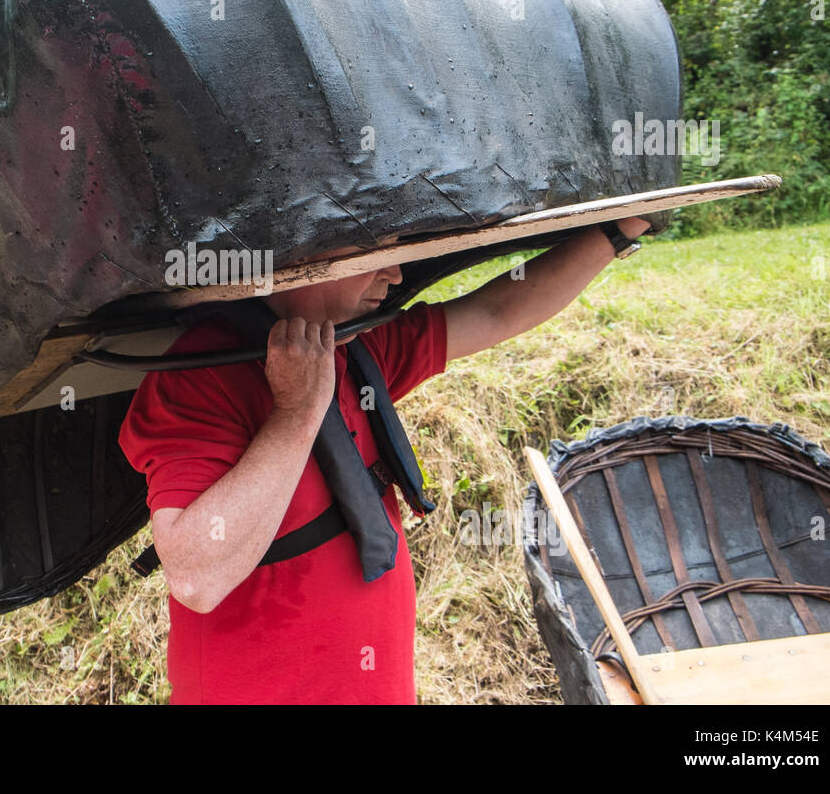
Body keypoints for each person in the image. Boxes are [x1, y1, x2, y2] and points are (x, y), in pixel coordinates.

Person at [117, 216, 652, 703]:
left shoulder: (353, 346)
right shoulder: (199, 374)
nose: (396, 274)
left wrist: (615, 234)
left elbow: (495, 311)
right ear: (301, 253)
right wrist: (298, 413)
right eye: (375, 253)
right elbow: (195, 577)